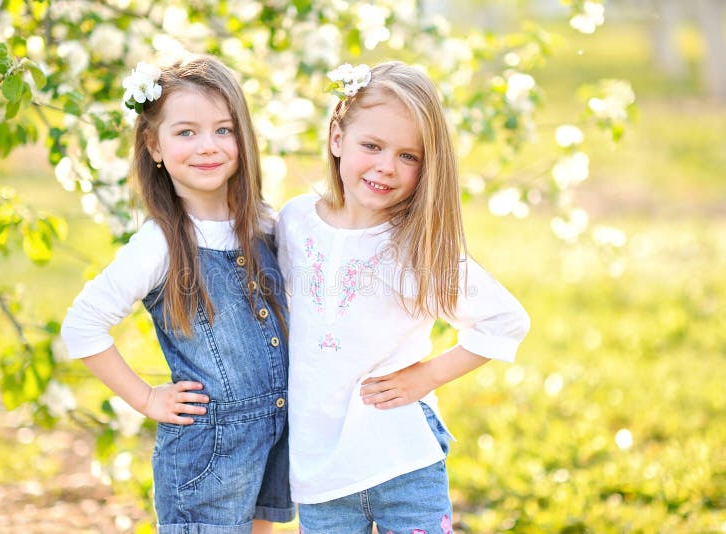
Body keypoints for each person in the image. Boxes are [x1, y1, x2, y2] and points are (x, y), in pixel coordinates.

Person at [276, 61, 530, 533]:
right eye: (371, 146)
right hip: (319, 469)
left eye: (408, 156)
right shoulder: (295, 223)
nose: (386, 166)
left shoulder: (417, 246)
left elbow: (505, 320)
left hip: (401, 459)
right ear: (337, 138)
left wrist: (427, 375)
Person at [61, 56, 293, 534]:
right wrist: (146, 398)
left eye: (223, 130)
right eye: (186, 132)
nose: (207, 146)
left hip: (273, 436)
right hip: (208, 455)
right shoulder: (161, 244)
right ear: (155, 146)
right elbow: (82, 325)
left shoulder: (265, 225)